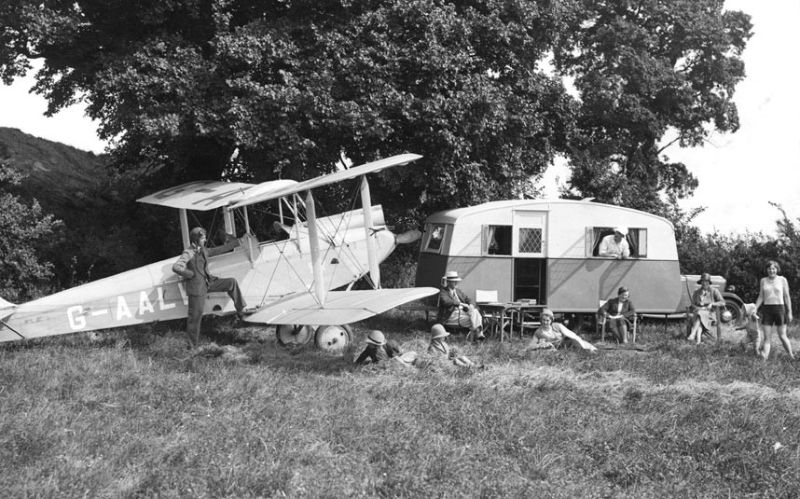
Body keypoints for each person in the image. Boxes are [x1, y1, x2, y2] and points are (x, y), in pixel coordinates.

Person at [172, 227, 248, 345]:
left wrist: (238, 242)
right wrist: (190, 274)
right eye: (203, 238)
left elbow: (219, 250)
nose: (205, 240)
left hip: (208, 283)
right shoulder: (188, 252)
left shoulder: (204, 250)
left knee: (231, 282)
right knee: (195, 317)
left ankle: (241, 311)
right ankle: (192, 346)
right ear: (196, 240)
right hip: (197, 289)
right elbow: (176, 267)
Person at [754, 261, 794, 360]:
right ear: (766, 270)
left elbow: (787, 296)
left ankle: (791, 356)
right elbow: (761, 296)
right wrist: (755, 308)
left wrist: (790, 312)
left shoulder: (782, 279)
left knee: (782, 336)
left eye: (773, 268)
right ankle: (764, 359)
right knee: (767, 337)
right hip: (767, 310)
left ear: (777, 269)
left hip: (780, 309)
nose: (771, 270)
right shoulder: (763, 280)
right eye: (769, 268)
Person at [437, 270, 485, 341]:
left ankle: (477, 334)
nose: (456, 283)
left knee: (475, 312)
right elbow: (446, 301)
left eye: (456, 281)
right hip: (450, 316)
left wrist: (470, 304)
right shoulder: (443, 291)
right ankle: (477, 334)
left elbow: (467, 299)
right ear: (448, 282)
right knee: (476, 319)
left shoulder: (458, 291)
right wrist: (460, 303)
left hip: (461, 315)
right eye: (454, 281)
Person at [526, 309, 597, 352]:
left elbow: (572, 335)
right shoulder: (538, 332)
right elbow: (530, 346)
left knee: (578, 344)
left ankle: (590, 349)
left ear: (551, 321)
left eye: (547, 320)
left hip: (566, 345)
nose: (545, 322)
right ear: (541, 320)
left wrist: (583, 346)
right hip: (553, 350)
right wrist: (541, 345)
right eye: (543, 320)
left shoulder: (557, 326)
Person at [687, 273, 726, 344]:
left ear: (709, 282)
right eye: (703, 281)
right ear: (701, 282)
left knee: (699, 316)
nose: (704, 283)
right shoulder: (696, 292)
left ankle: (693, 334)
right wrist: (698, 307)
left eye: (706, 281)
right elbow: (692, 304)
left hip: (710, 314)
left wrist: (712, 304)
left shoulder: (714, 291)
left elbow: (723, 302)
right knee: (699, 315)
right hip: (698, 312)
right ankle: (698, 341)